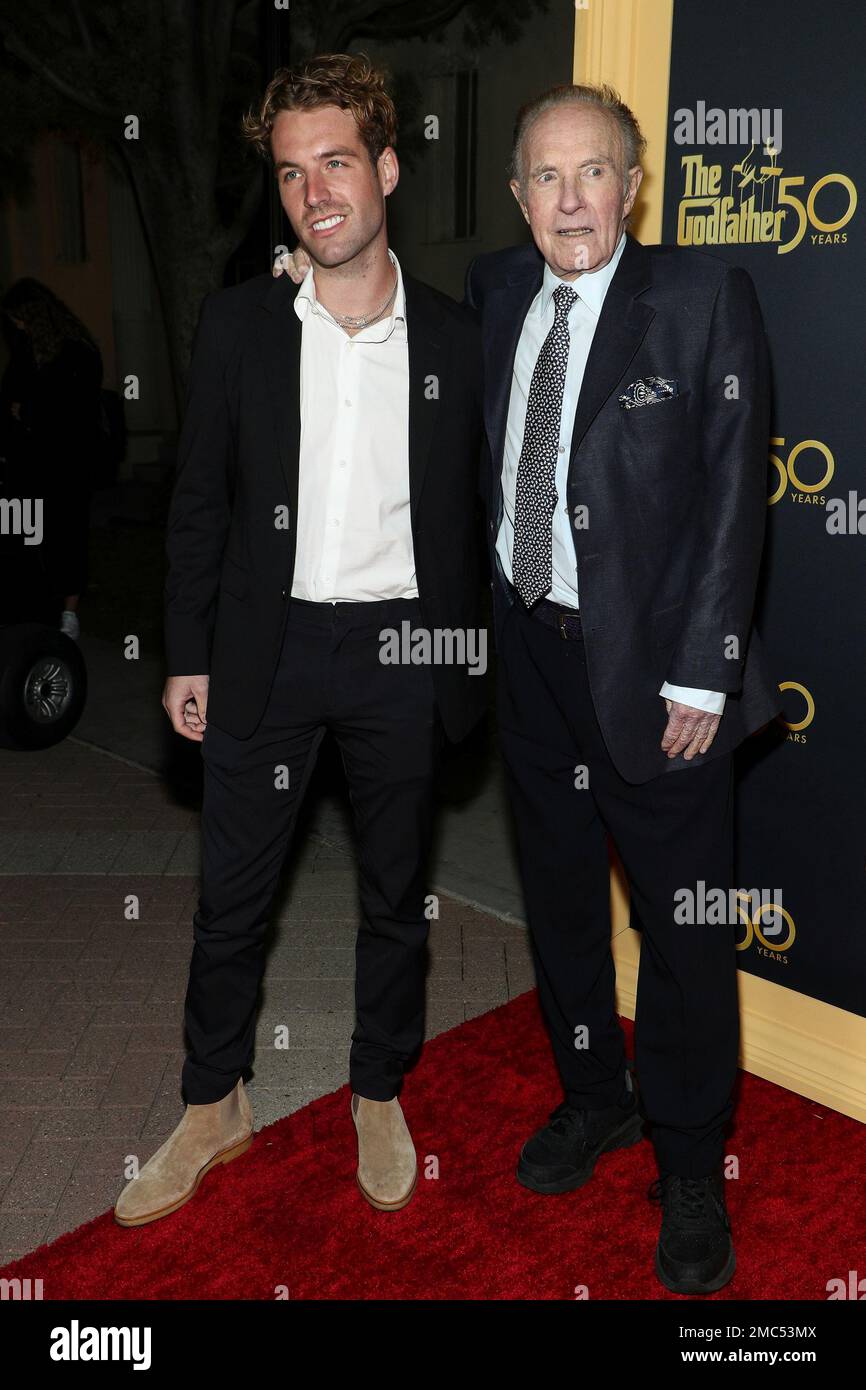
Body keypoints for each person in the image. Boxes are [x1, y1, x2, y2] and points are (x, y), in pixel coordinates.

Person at [272, 79, 778, 1296]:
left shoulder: (703, 299)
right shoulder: (498, 292)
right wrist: (309, 287)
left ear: (631, 183)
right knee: (559, 905)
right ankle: (595, 1096)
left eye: (591, 172)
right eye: (544, 178)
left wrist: (702, 676)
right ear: (515, 195)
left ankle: (691, 1162)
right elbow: (402, 333)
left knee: (683, 930)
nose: (568, 200)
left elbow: (731, 503)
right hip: (530, 656)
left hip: (658, 675)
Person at [113, 53, 486, 1228]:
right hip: (264, 652)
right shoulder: (240, 326)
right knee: (230, 899)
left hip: (401, 656)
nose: (315, 192)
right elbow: (202, 503)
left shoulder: (457, 340)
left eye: (335, 162)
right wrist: (186, 650)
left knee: (393, 894)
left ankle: (376, 1085)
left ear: (383, 167)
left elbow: (481, 515)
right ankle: (212, 1100)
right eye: (290, 174)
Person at [0, 278, 103, 639]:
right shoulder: (28, 350)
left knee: (65, 539)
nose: (16, 327)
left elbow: (73, 413)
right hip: (26, 465)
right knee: (23, 535)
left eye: (20, 319)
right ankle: (30, 607)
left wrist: (27, 412)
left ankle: (67, 615)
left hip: (64, 467)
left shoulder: (75, 352)